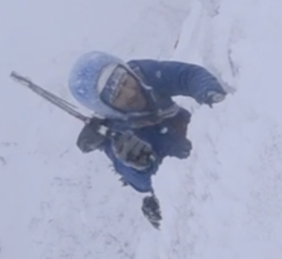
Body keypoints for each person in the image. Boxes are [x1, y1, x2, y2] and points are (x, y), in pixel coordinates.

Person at [67, 51, 227, 228]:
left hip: (197, 134)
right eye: (117, 95)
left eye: (126, 81)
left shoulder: (143, 74)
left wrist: (210, 94)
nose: (130, 93)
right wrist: (140, 165)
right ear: (106, 108)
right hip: (181, 173)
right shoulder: (116, 136)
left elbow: (187, 75)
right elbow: (139, 180)